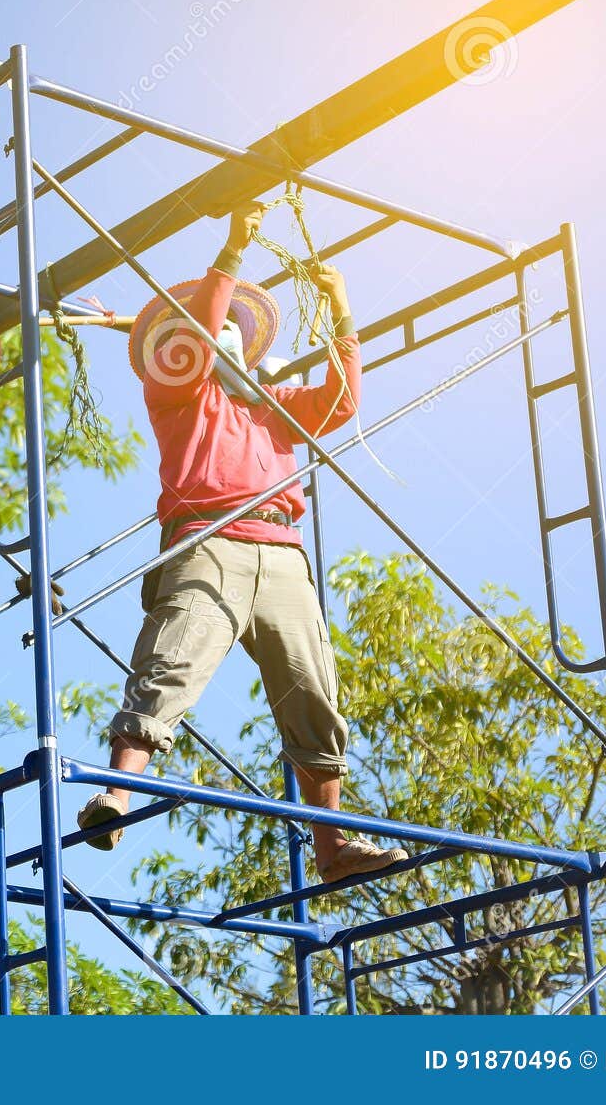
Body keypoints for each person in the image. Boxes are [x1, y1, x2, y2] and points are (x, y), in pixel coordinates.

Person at [76, 202, 409, 885]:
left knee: (313, 691)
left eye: (231, 331)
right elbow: (196, 335)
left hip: (280, 552)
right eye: (212, 329)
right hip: (208, 541)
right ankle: (118, 792)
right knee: (170, 664)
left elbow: (343, 401)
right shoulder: (178, 394)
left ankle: (333, 844)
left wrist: (340, 307)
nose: (222, 337)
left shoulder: (271, 404)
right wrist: (230, 252)